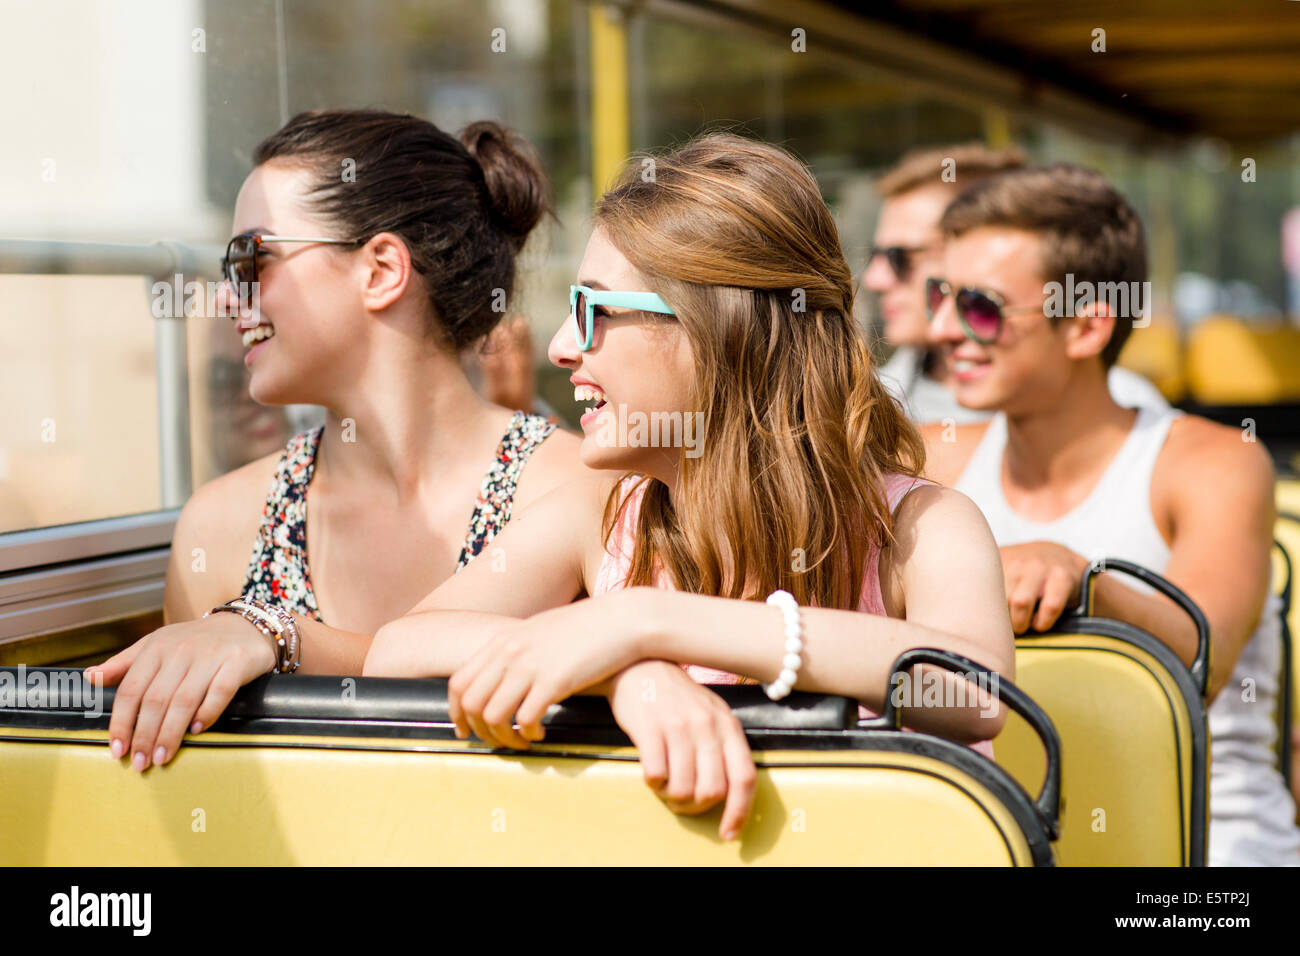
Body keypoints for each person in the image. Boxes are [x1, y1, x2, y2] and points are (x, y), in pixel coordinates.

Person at [364, 132, 1015, 842]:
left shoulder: (923, 525)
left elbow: (974, 692)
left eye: (595, 311)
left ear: (717, 328)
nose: (559, 347)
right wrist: (632, 676)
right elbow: (398, 648)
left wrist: (646, 622)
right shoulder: (604, 513)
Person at [85, 109, 590, 772]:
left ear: (381, 269)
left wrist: (267, 632)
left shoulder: (585, 492)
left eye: (252, 260)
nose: (229, 299)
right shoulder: (216, 528)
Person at [920, 163, 1300, 866]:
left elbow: (1200, 657)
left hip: (1206, 859)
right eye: (938, 295)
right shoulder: (931, 461)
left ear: (1087, 326)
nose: (941, 327)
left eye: (979, 306)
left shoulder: (1212, 461)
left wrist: (1079, 578)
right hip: (1003, 840)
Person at [863, 143, 1167, 423]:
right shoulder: (864, 409)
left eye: (899, 256)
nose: (874, 279)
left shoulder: (1131, 410)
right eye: (874, 255)